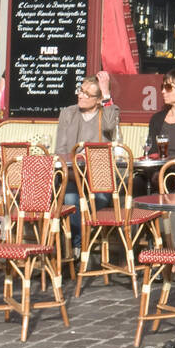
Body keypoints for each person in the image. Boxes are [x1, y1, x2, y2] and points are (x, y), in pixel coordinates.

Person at [56, 73, 119, 249]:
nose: (81, 95)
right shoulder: (68, 113)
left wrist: (106, 93)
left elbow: (109, 126)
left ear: (98, 100)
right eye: (81, 91)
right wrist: (68, 171)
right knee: (70, 198)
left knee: (97, 199)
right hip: (72, 173)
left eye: (87, 94)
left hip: (98, 176)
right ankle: (79, 247)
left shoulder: (108, 111)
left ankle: (81, 241)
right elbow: (60, 150)